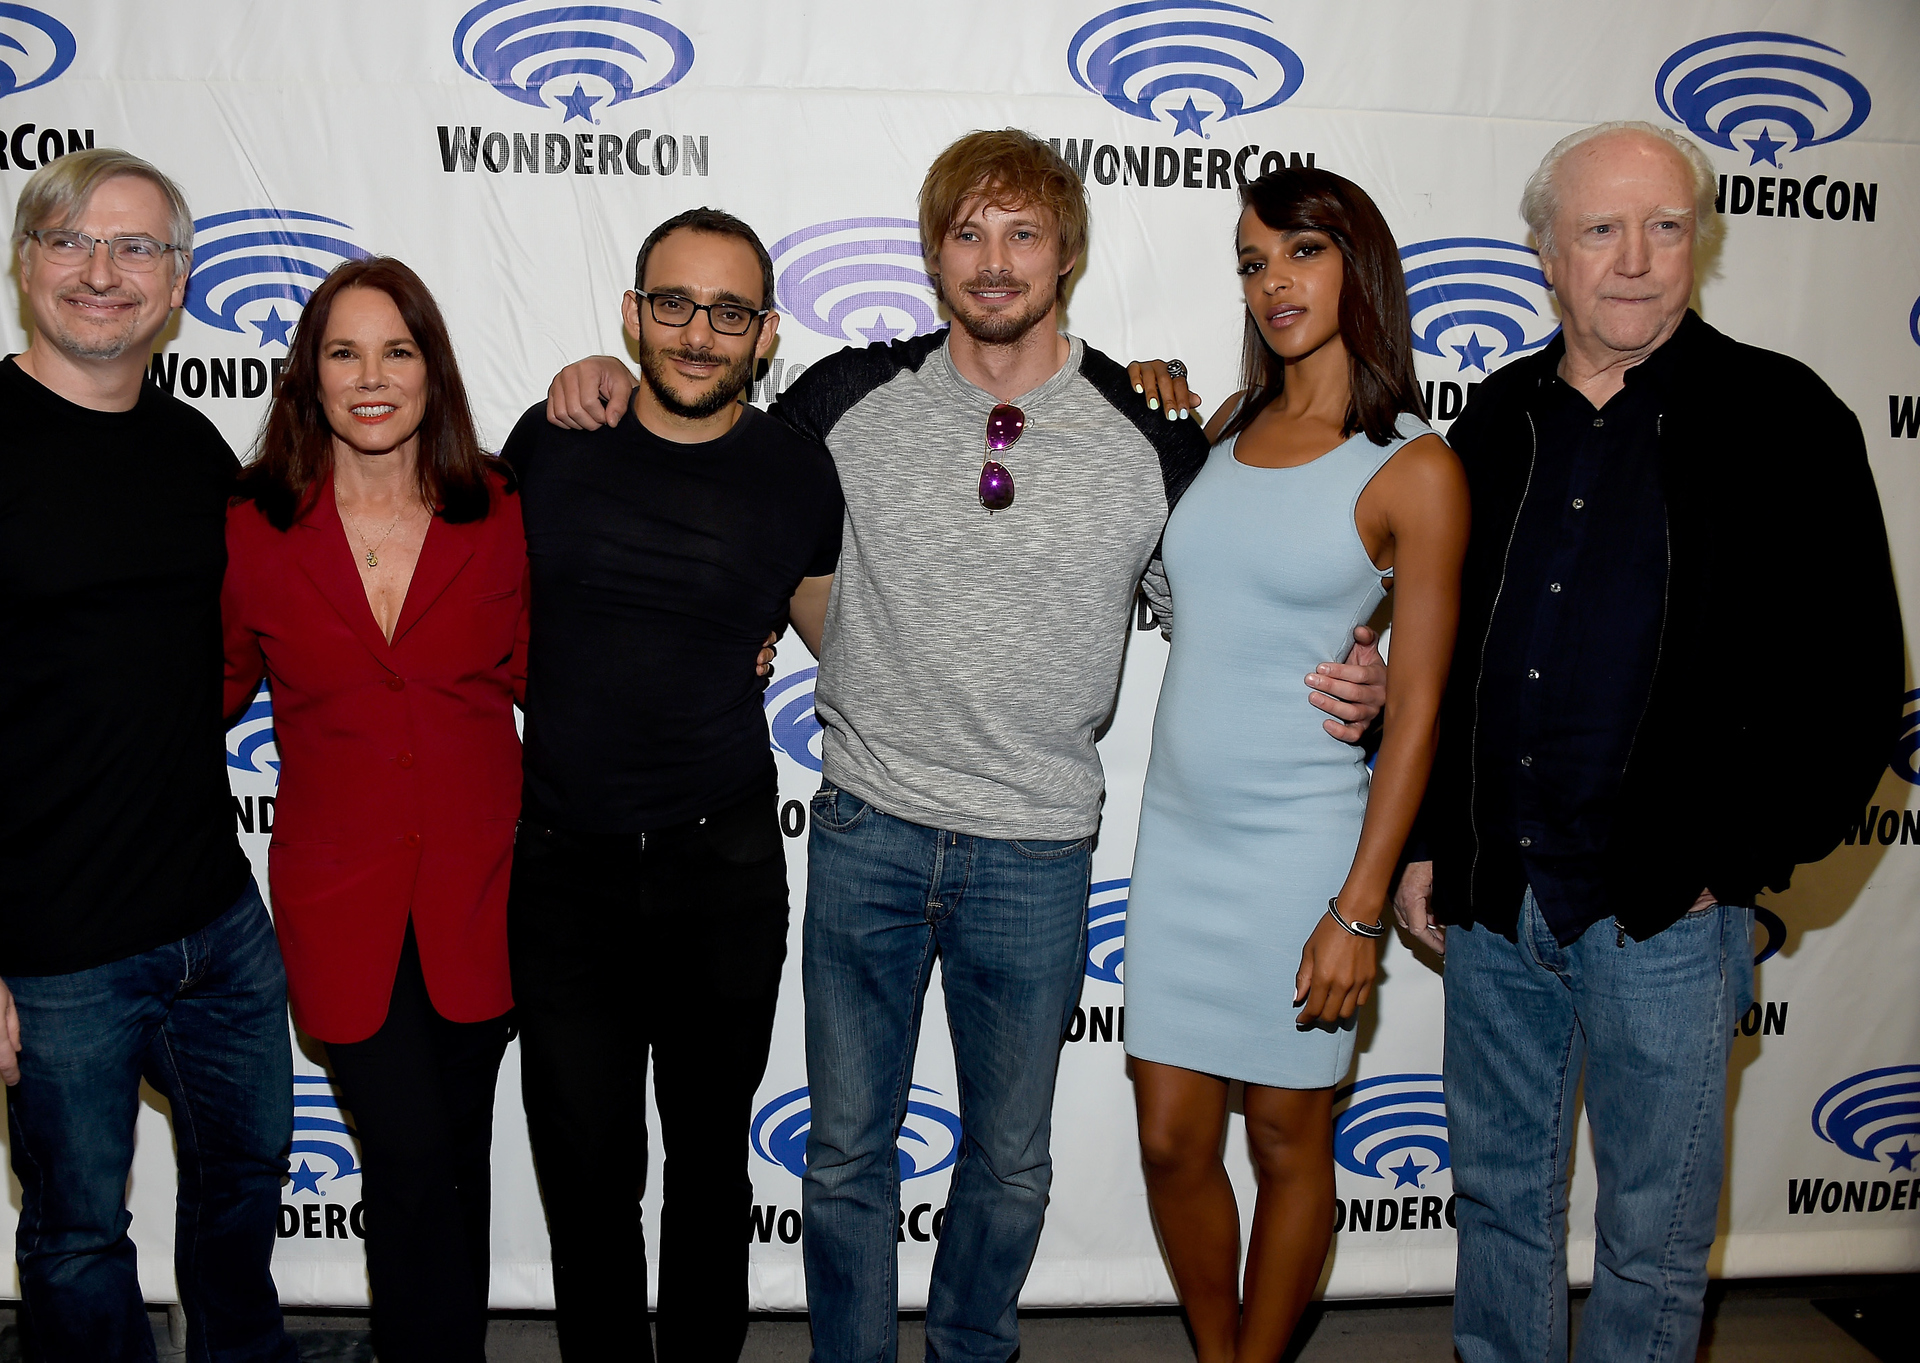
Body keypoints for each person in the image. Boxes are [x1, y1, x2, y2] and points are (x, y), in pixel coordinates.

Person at [542, 133, 1390, 1363]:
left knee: (1006, 1161)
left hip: (1037, 852)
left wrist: (1361, 647)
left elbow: (1245, 586)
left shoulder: (1148, 430)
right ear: (932, 253)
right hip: (865, 831)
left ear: (1067, 253)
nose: (993, 263)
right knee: (840, 1156)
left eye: (1022, 233)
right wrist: (597, 380)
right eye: (966, 233)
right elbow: (707, 448)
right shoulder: (839, 398)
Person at [1389, 120, 1903, 1363]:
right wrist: (1423, 845)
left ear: (1697, 243)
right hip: (1496, 906)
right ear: (1546, 258)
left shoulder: (1784, 419)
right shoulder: (1491, 424)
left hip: (1665, 920)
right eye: (1600, 230)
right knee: (1498, 1212)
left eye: (1664, 227)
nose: (1633, 259)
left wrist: (1727, 859)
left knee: (1652, 1243)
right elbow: (1440, 662)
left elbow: (1853, 684)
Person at [0, 148, 297, 1362]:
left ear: (178, 285)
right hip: (50, 954)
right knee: (74, 1236)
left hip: (220, 923)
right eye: (70, 242)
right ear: (23, 262)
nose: (101, 272)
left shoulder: (192, 451)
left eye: (137, 249)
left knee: (243, 1189)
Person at [1121, 166, 1466, 1363]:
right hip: (1179, 836)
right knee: (1168, 1134)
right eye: (1251, 261)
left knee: (1283, 1135)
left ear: (1355, 266)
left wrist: (1357, 910)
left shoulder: (1412, 467)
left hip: (1305, 845)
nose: (1273, 283)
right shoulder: (1224, 425)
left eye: (1301, 255)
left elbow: (1416, 712)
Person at [502, 207, 842, 1363]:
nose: (699, 334)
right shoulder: (552, 438)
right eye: (674, 304)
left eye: (729, 311)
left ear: (765, 333)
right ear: (633, 313)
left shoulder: (798, 474)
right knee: (584, 1174)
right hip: (559, 871)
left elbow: (850, 642)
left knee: (707, 1168)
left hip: (722, 871)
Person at [221, 257, 527, 1363]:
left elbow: (568, 676)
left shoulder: (497, 512)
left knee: (460, 1160)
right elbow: (195, 693)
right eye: (343, 351)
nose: (370, 376)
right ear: (308, 375)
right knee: (405, 1166)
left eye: (396, 350)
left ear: (431, 371)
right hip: (338, 905)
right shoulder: (253, 531)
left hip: (481, 901)